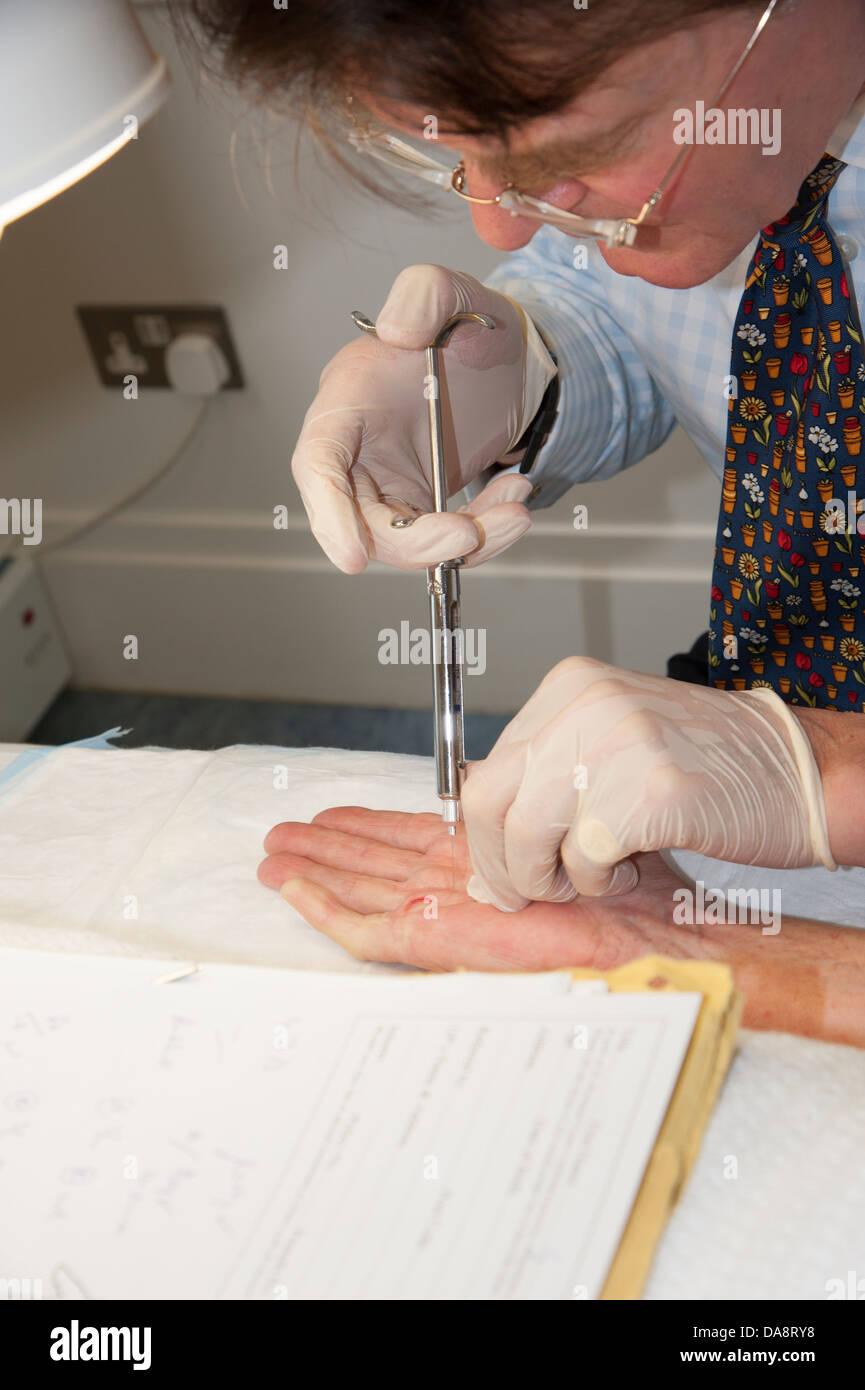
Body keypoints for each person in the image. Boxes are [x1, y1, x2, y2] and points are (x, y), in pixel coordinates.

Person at [179, 0, 865, 1042]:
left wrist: (820, 774)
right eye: (459, 158)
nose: (501, 224)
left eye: (574, 153)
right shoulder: (723, 134)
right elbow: (650, 306)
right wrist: (520, 370)